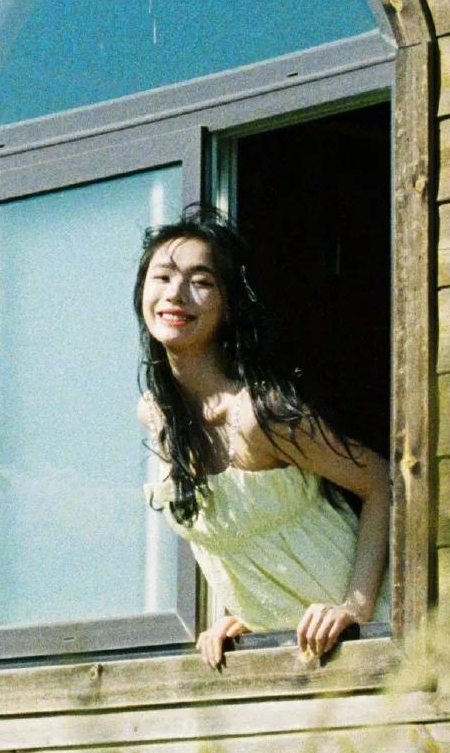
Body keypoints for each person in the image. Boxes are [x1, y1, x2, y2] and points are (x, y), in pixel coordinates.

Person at [134, 210, 391, 669]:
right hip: (295, 659)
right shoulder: (158, 418)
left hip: (370, 639)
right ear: (142, 295)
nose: (176, 293)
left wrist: (355, 608)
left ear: (229, 305)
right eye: (163, 276)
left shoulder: (261, 414)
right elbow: (236, 534)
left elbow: (384, 483)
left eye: (201, 281)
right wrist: (245, 612)